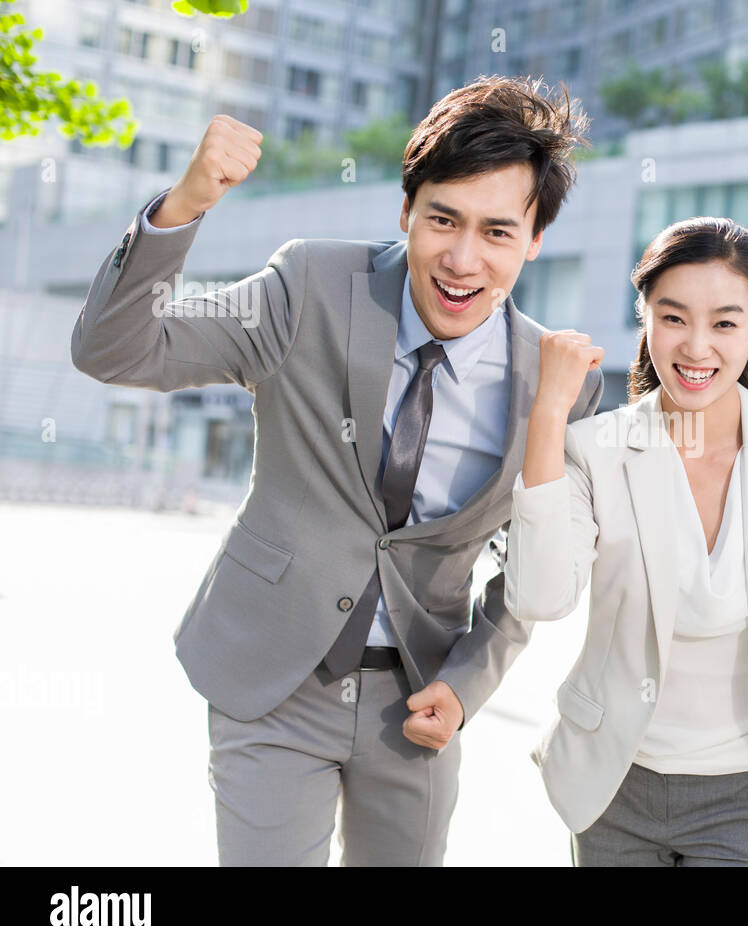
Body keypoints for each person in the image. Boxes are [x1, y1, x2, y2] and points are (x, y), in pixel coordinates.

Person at [69, 76, 603, 865]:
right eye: (442, 220)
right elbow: (116, 349)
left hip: (419, 701)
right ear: (405, 212)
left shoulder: (557, 381)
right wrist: (185, 204)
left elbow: (533, 573)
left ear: (534, 239)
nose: (461, 260)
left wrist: (469, 684)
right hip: (271, 681)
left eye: (496, 233)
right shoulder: (310, 288)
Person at [504, 217, 748, 866]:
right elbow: (539, 597)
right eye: (673, 318)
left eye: (725, 323)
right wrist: (548, 415)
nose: (697, 348)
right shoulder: (595, 451)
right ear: (645, 318)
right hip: (615, 784)